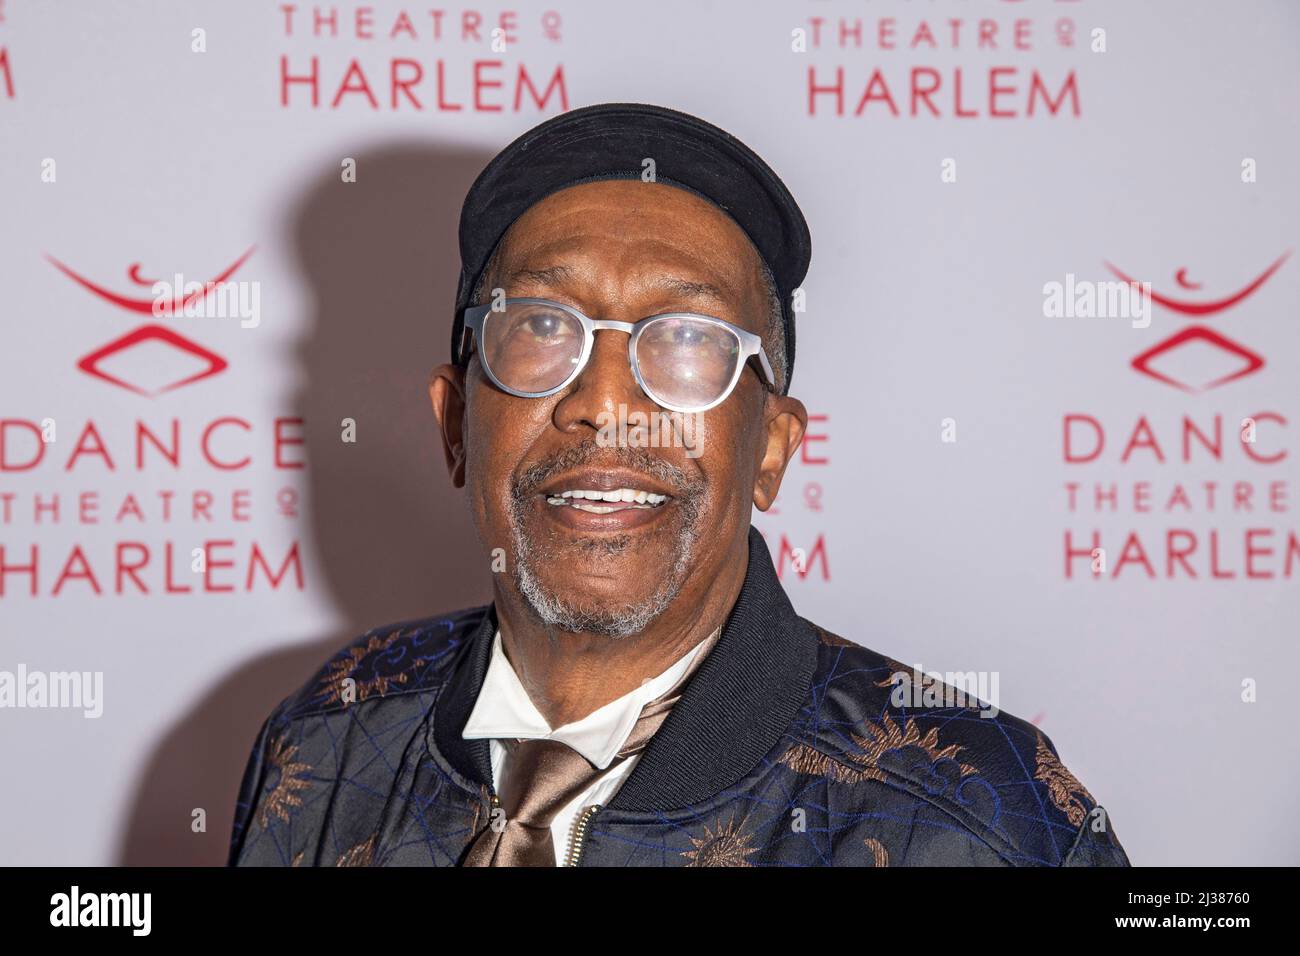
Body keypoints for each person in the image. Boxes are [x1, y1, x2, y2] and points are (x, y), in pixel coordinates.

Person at [228, 103, 1129, 867]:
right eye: (543, 325)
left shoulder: (975, 821)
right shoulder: (327, 736)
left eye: (688, 339)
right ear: (455, 422)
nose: (606, 403)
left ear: (771, 449)